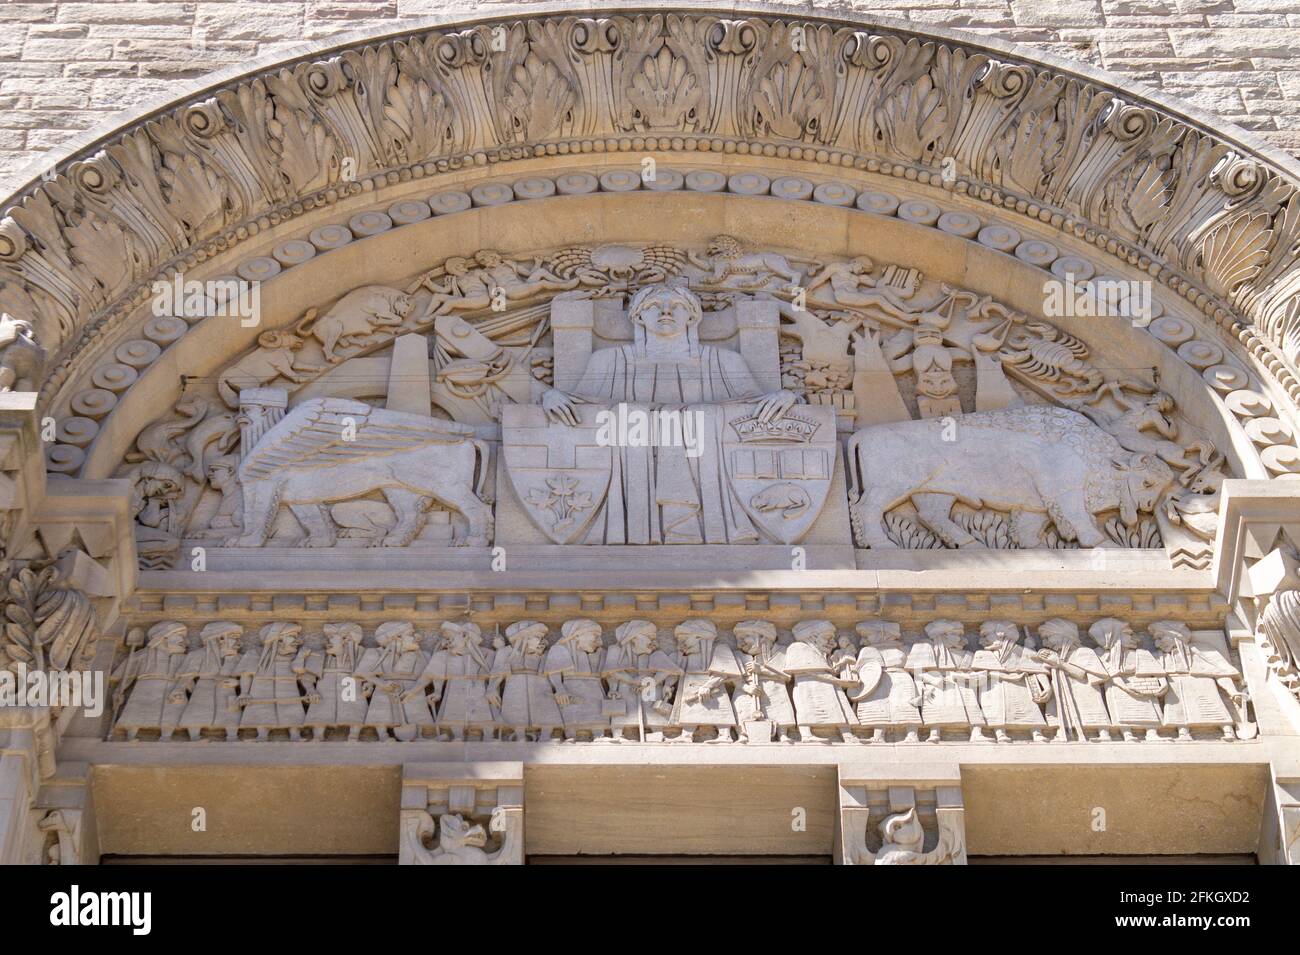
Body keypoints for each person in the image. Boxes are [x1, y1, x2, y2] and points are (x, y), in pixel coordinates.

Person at [540, 283, 798, 544]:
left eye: (677, 306)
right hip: (630, 475)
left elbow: (753, 407)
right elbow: (583, 406)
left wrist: (790, 397)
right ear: (638, 316)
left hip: (710, 475)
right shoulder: (609, 361)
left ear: (693, 316)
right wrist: (550, 396)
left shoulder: (724, 362)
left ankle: (712, 526)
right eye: (654, 306)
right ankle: (636, 528)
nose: (666, 312)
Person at [971, 621, 1050, 743]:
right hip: (994, 687)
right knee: (995, 708)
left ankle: (1036, 732)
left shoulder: (1020, 651)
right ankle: (1000, 733)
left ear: (1000, 634)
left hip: (1019, 686)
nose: (982, 640)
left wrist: (1047, 687)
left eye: (986, 635)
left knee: (1028, 708)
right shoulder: (983, 654)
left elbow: (1038, 668)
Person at [601, 620, 680, 742]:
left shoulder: (656, 654)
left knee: (651, 708)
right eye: (649, 637)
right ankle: (618, 734)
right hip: (626, 684)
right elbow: (611, 672)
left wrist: (651, 682)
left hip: (649, 684)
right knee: (624, 707)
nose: (653, 642)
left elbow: (668, 670)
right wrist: (622, 685)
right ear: (634, 638)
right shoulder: (616, 651)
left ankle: (657, 733)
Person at [666, 619, 742, 743]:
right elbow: (676, 671)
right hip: (689, 687)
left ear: (700, 637)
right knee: (688, 710)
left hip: (713, 688)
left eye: (684, 640)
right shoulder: (685, 655)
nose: (681, 645)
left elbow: (724, 672)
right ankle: (686, 735)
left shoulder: (719, 649)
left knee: (719, 709)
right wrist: (668, 685)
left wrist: (708, 686)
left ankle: (725, 735)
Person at [849, 620, 922, 744]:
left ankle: (912, 735)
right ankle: (878, 736)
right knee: (877, 706)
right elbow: (859, 669)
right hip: (877, 681)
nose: (863, 640)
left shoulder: (904, 649)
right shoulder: (868, 650)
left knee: (906, 706)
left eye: (868, 635)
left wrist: (921, 687)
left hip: (901, 679)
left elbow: (918, 668)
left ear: (882, 634)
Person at [489, 621, 563, 742]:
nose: (540, 641)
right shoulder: (506, 652)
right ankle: (520, 736)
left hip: (539, 683)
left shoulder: (542, 654)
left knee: (546, 708)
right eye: (537, 638)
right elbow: (498, 672)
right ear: (524, 638)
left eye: (541, 638)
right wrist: (491, 688)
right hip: (515, 683)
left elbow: (551, 669)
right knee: (515, 710)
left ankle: (546, 735)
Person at [785, 620, 858, 743]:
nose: (833, 643)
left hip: (829, 686)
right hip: (808, 687)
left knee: (840, 707)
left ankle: (847, 735)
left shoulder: (821, 653)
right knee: (806, 709)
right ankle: (806, 735)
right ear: (812, 637)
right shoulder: (798, 647)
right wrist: (841, 682)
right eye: (827, 638)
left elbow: (826, 670)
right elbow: (813, 671)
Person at [543, 619, 612, 742]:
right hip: (571, 686)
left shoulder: (601, 652)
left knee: (598, 713)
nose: (598, 641)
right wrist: (560, 689)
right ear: (578, 635)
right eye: (594, 636)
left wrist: (612, 689)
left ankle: (599, 735)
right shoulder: (560, 649)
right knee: (572, 713)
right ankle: (571, 736)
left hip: (595, 687)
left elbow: (610, 675)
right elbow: (554, 672)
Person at [731, 620, 796, 743]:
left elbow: (787, 676)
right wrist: (745, 687)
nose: (741, 643)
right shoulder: (739, 655)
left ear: (761, 637)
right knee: (740, 703)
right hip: (747, 688)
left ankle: (782, 733)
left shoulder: (781, 652)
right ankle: (742, 734)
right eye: (739, 639)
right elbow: (733, 676)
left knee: (779, 703)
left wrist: (762, 670)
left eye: (745, 637)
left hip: (774, 687)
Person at [302, 622, 368, 741]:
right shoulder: (320, 655)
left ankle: (354, 734)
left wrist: (370, 685)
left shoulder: (360, 654)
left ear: (346, 639)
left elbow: (371, 673)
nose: (327, 641)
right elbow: (307, 677)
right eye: (328, 637)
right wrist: (310, 690)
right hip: (325, 686)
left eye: (332, 638)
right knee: (321, 708)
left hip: (350, 684)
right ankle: (318, 735)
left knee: (355, 706)